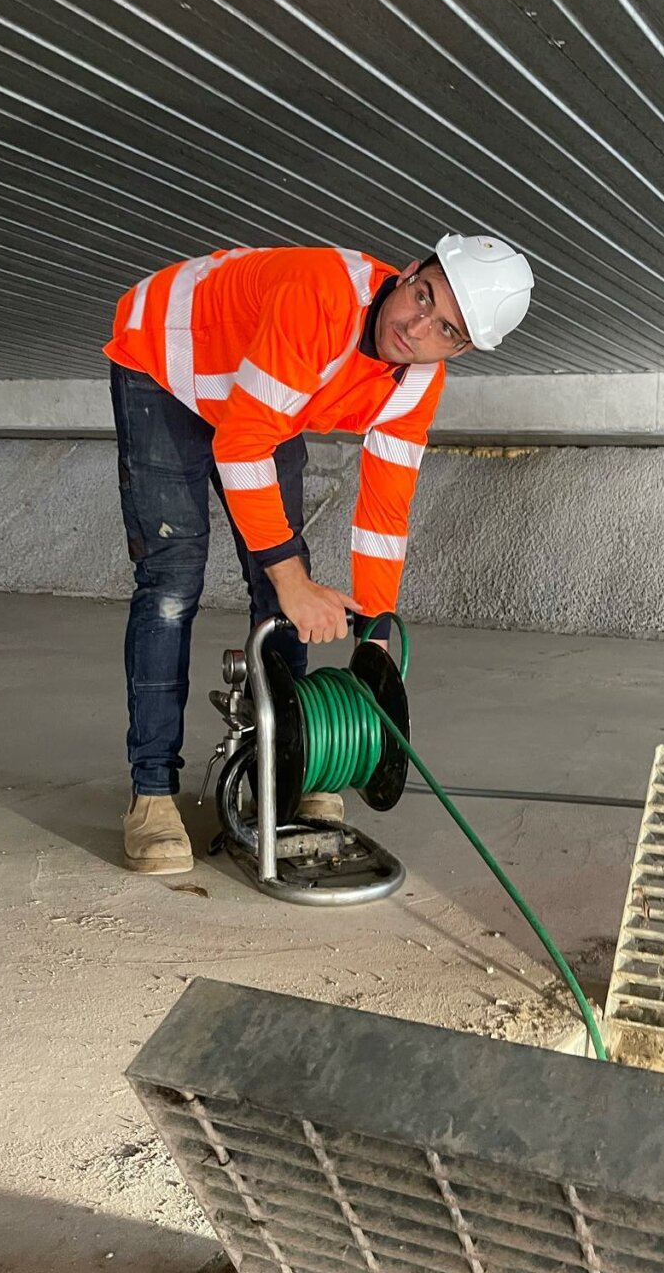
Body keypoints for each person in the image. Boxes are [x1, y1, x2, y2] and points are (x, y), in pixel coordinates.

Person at [103, 234, 534, 873]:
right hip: (165, 359)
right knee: (173, 579)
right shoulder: (321, 298)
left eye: (445, 329)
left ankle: (286, 768)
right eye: (422, 296)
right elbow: (242, 445)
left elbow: (384, 515)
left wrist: (375, 638)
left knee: (279, 571)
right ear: (412, 270)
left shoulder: (415, 385)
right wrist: (293, 582)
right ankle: (152, 793)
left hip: (257, 393)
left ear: (461, 348)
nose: (416, 328)